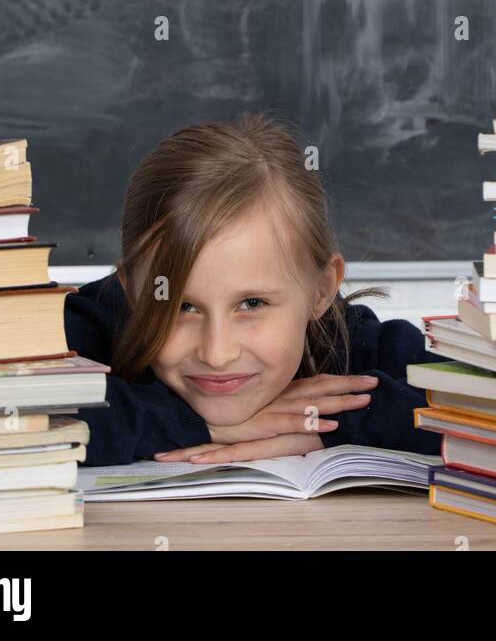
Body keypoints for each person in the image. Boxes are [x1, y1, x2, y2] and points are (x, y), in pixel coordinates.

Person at [64, 112, 444, 466]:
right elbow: (13, 416)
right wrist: (200, 426)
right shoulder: (93, 322)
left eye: (251, 303)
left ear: (319, 291)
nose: (217, 353)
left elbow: (492, 415)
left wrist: (337, 425)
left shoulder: (352, 343)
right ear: (130, 291)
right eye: (182, 307)